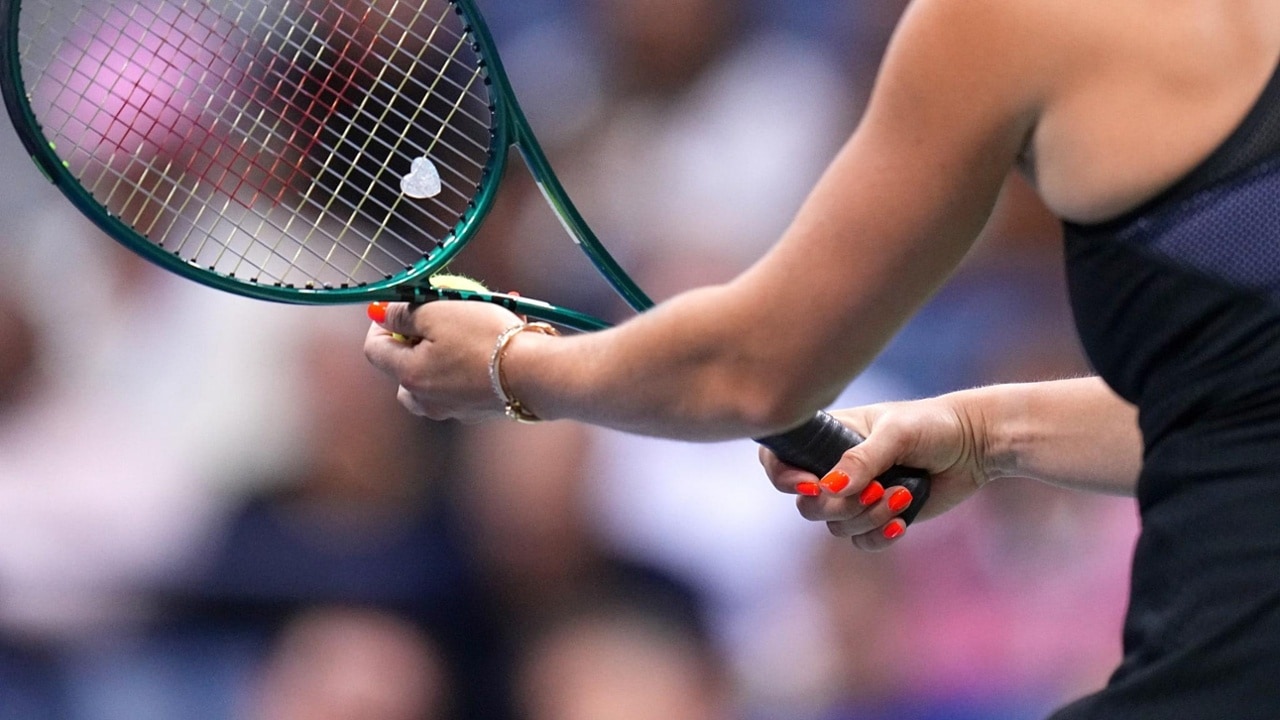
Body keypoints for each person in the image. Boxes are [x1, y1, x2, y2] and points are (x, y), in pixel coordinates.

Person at [364, 0, 1280, 717]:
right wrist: (984, 429)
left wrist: (512, 368)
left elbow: (751, 370)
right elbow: (1239, 410)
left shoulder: (1010, 19)